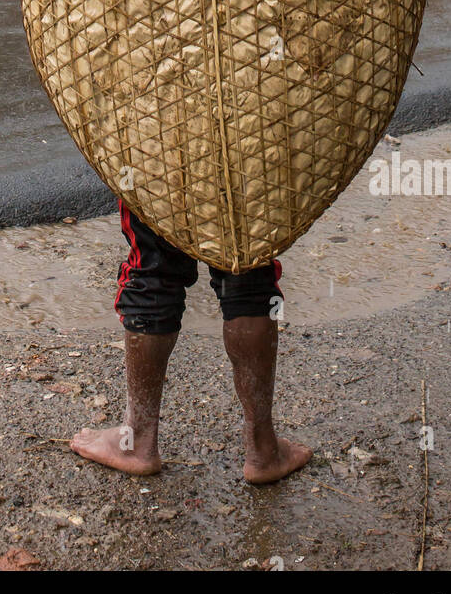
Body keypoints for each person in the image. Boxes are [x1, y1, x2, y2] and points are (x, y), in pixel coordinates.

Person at [70, 198, 313, 483]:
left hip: (161, 158)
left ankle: (136, 441)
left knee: (154, 264)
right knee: (247, 264)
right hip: (243, 160)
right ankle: (263, 449)